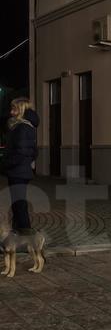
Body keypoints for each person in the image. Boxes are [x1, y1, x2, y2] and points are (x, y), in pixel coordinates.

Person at [2, 91, 39, 277]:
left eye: (14, 108)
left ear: (21, 109)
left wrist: (4, 165)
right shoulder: (22, 126)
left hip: (18, 171)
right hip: (19, 171)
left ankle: (31, 245)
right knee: (18, 207)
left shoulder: (23, 128)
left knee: (20, 207)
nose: (11, 111)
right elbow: (33, 153)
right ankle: (21, 243)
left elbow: (22, 153)